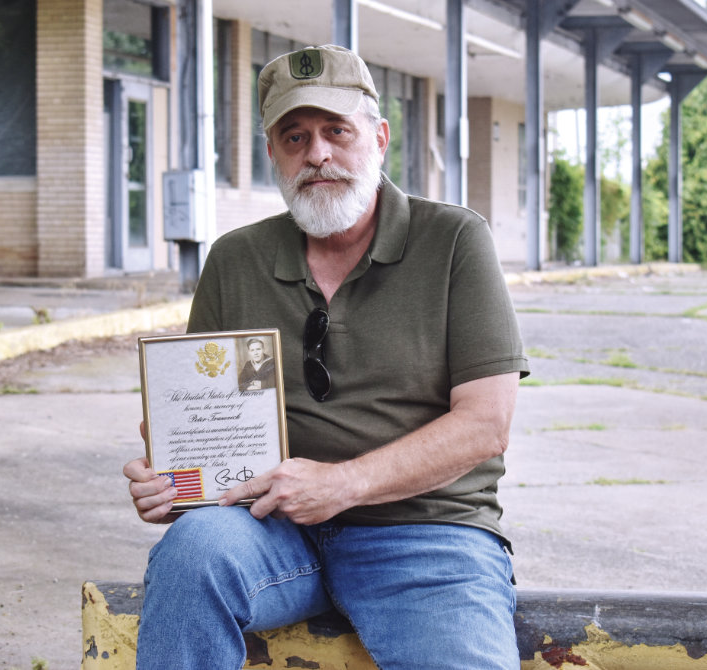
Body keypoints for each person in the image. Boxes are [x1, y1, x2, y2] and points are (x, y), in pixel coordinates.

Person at [124, 44, 529, 669]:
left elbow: (485, 426)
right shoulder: (236, 259)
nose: (317, 154)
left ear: (379, 136)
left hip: (426, 533)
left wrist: (342, 484)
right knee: (193, 549)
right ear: (273, 155)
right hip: (272, 527)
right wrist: (174, 484)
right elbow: (198, 419)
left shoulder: (454, 241)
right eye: (294, 137)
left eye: (336, 130)